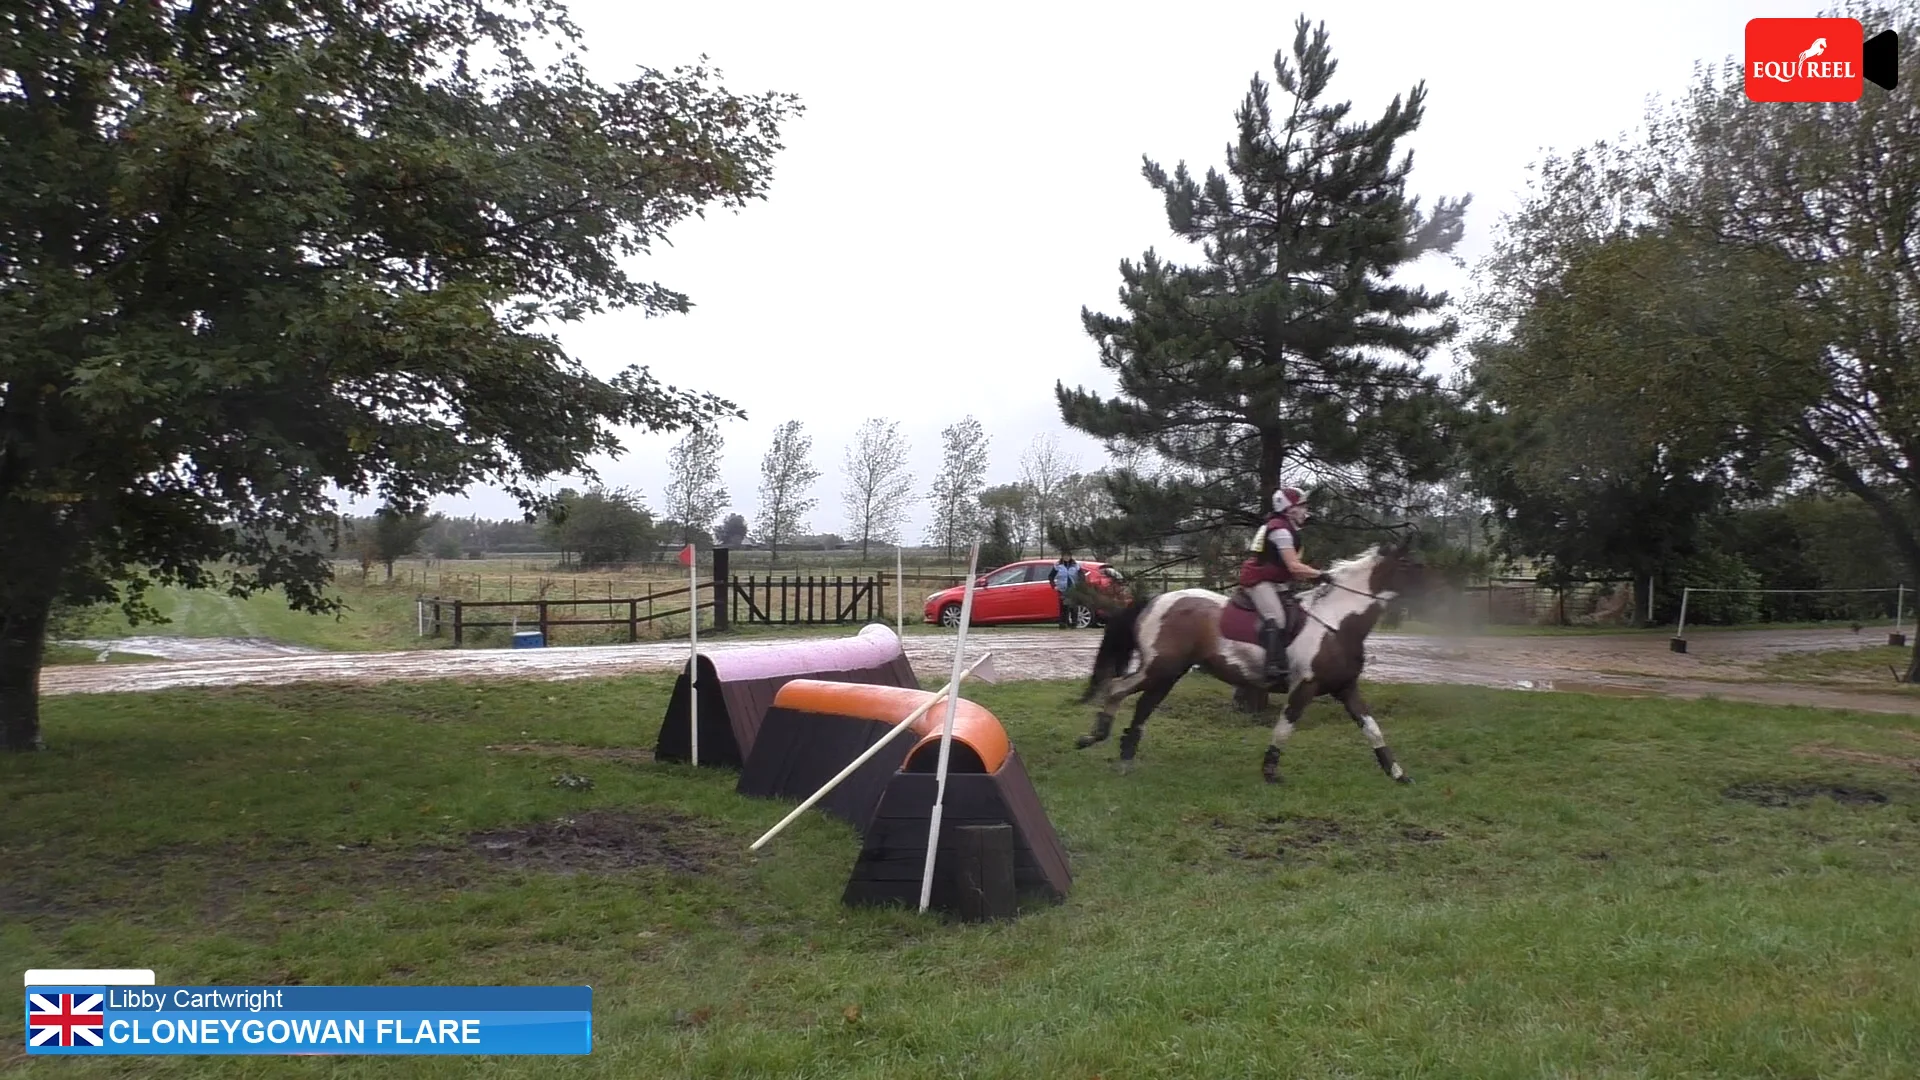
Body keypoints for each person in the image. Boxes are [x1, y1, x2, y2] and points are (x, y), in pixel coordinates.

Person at [1237, 486, 1332, 681]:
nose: (1306, 510)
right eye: (1302, 505)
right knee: (1277, 618)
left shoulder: (1286, 528)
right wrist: (1321, 575)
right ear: (1289, 508)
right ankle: (1272, 666)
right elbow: (1294, 567)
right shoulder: (1280, 530)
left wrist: (1316, 580)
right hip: (1259, 581)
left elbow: (1292, 571)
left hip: (1275, 581)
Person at [1047, 553, 1083, 628]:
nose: (1066, 557)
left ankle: (1074, 623)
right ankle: (1063, 623)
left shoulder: (1076, 565)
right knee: (1064, 606)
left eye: (1068, 556)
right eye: (1065, 556)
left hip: (1073, 589)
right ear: (1062, 556)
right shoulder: (1057, 565)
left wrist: (1080, 585)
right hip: (1062, 588)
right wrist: (1054, 585)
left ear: (1070, 556)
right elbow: (1051, 576)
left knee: (1073, 607)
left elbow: (1082, 576)